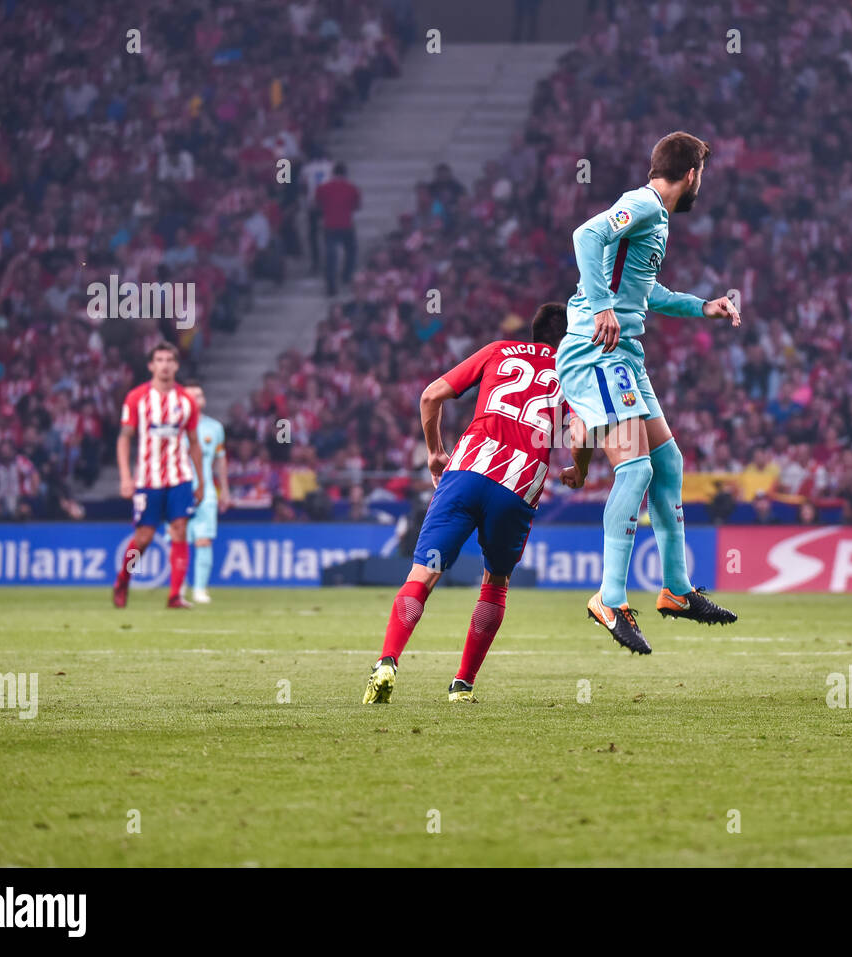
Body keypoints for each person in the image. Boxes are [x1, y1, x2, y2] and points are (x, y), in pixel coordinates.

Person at [555, 131, 740, 654]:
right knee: (634, 469)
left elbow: (644, 291)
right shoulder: (640, 203)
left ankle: (677, 590)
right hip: (598, 350)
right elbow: (584, 237)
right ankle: (609, 598)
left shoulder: (653, 217)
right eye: (702, 173)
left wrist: (702, 305)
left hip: (625, 355)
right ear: (692, 174)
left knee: (668, 463)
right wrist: (600, 308)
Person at [363, 303, 584, 703]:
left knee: (422, 575)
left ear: (533, 333)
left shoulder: (500, 349)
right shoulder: (574, 370)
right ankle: (462, 685)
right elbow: (582, 434)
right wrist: (577, 468)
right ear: (570, 337)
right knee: (495, 584)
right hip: (516, 488)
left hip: (466, 472)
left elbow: (431, 396)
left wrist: (435, 452)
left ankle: (387, 662)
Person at [113, 342, 205, 609]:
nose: (165, 365)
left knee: (180, 530)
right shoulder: (136, 398)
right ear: (151, 365)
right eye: (159, 360)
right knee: (144, 538)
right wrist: (125, 477)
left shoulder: (186, 401)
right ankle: (122, 580)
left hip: (180, 477)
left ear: (176, 365)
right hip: (148, 479)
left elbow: (194, 442)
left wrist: (200, 481)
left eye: (169, 360)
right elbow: (124, 439)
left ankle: (175, 595)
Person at [183, 383, 230, 604]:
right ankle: (178, 587)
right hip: (178, 489)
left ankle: (200, 589)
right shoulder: (173, 427)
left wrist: (225, 490)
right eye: (190, 396)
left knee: (204, 540)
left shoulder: (214, 428)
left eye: (199, 395)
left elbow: (220, 460)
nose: (195, 399)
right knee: (178, 541)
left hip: (207, 491)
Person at [314, 161, 360, 297]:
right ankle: (346, 275)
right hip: (346, 224)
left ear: (333, 173)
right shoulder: (352, 188)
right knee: (351, 250)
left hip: (330, 225)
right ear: (345, 174)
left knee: (330, 257)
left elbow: (318, 204)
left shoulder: (323, 188)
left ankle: (331, 284)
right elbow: (356, 206)